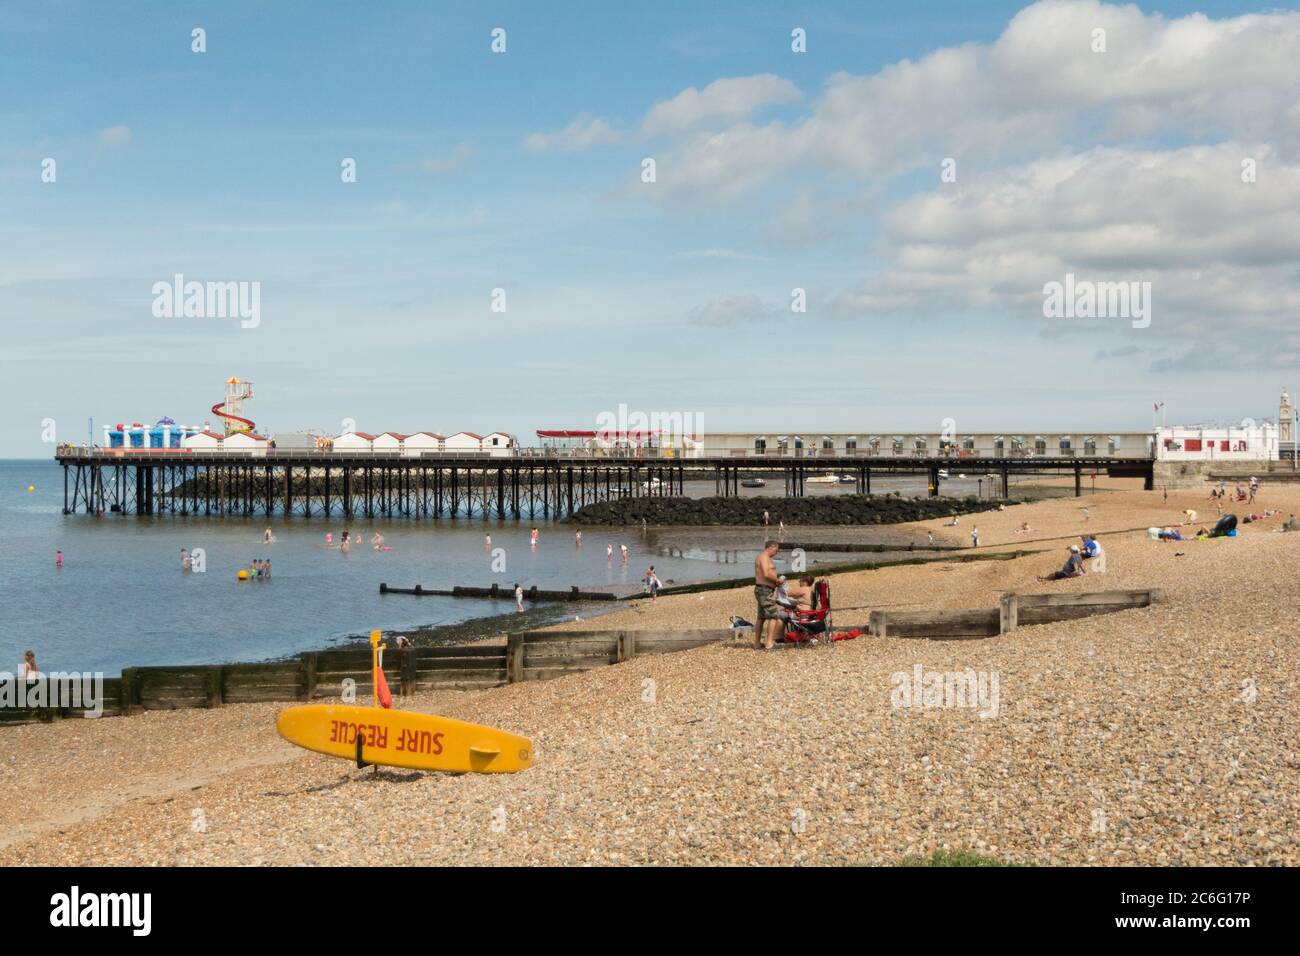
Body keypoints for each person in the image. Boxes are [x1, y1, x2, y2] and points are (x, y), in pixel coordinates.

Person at [752, 539, 784, 650]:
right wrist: (777, 580)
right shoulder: (764, 557)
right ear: (772, 547)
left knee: (761, 617)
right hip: (764, 590)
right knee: (774, 615)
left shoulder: (765, 557)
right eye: (777, 550)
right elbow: (766, 573)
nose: (777, 552)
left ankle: (757, 643)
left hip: (764, 590)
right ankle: (769, 643)